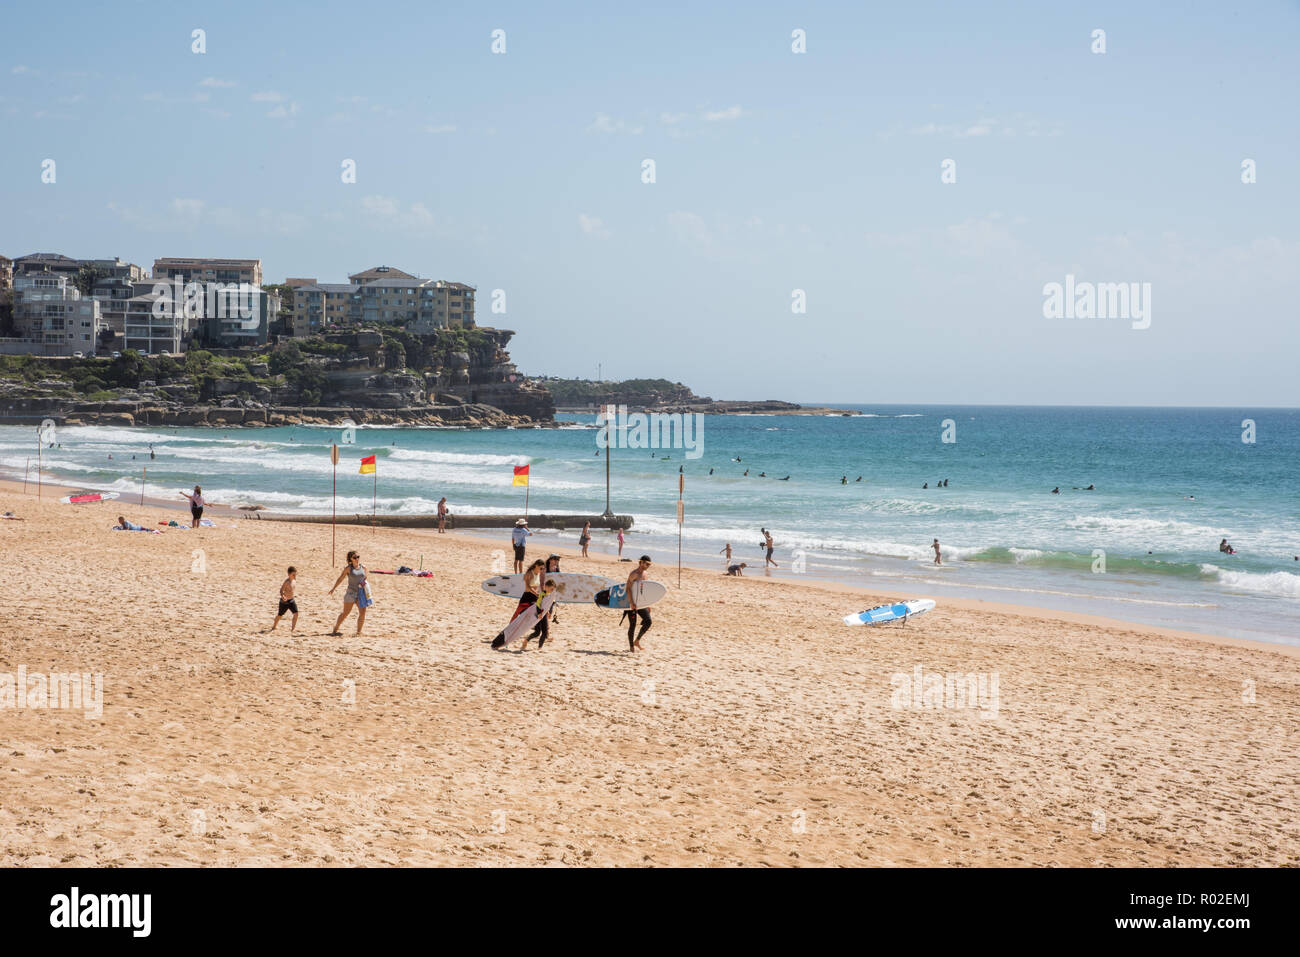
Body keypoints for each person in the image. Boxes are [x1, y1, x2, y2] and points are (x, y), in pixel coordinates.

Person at [328, 550, 369, 637]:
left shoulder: (363, 567)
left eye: (358, 557)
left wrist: (364, 586)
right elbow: (341, 578)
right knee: (345, 613)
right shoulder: (348, 568)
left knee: (363, 612)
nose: (357, 559)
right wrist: (333, 588)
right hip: (350, 593)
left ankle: (358, 632)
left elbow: (365, 577)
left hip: (361, 593)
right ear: (350, 559)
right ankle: (336, 628)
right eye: (354, 557)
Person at [623, 556, 653, 652]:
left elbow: (643, 590)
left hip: (640, 603)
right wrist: (631, 603)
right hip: (631, 602)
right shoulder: (634, 574)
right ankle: (631, 646)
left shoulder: (645, 574)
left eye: (649, 564)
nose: (648, 566)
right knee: (633, 625)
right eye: (647, 564)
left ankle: (637, 641)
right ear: (641, 563)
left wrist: (647, 604)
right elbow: (628, 589)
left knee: (648, 621)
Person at [271, 567, 299, 632]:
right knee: (280, 615)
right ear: (289, 574)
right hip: (284, 602)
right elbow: (281, 590)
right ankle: (274, 626)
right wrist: (283, 596)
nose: (295, 576)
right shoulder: (286, 582)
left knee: (296, 614)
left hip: (291, 600)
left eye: (295, 574)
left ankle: (293, 629)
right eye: (293, 575)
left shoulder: (294, 581)